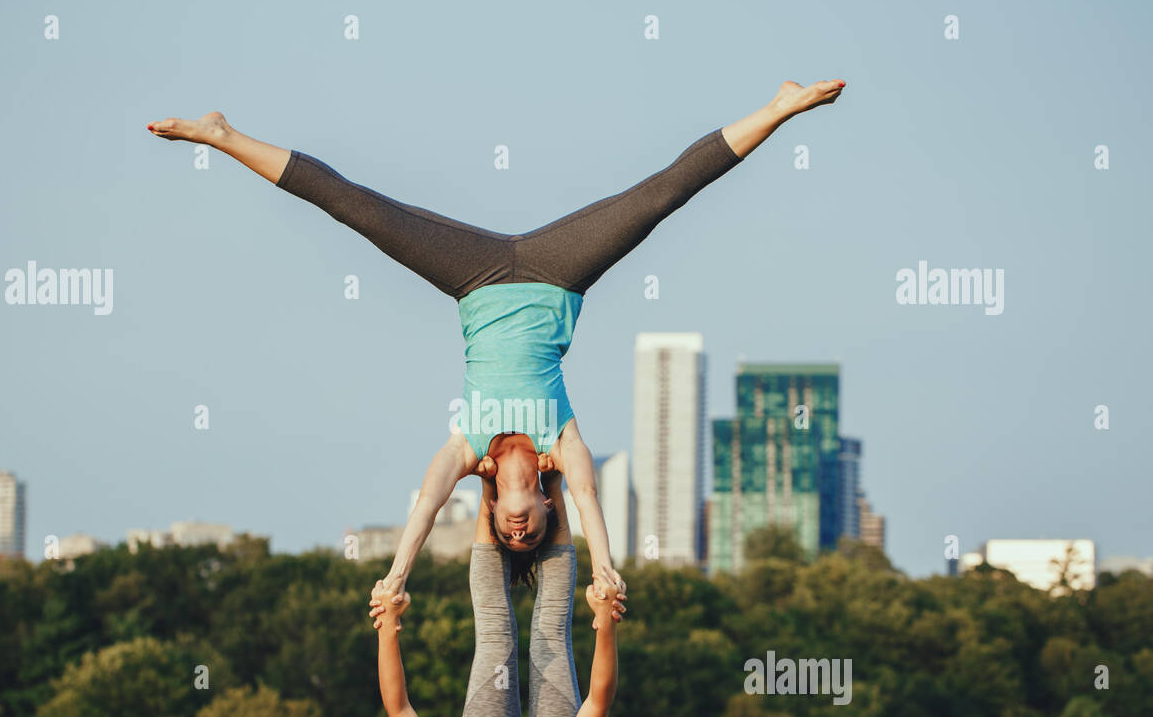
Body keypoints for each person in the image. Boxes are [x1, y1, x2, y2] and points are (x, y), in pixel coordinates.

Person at [147, 78, 845, 598]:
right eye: (531, 533)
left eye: (513, 538)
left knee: (353, 206)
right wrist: (604, 569)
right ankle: (782, 105)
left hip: (474, 279)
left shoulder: (469, 449)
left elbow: (422, 511)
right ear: (544, 504)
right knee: (661, 194)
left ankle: (221, 135)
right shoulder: (560, 444)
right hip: (559, 273)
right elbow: (595, 508)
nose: (520, 534)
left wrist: (395, 577)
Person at [372, 472, 627, 717]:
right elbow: (598, 701)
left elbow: (399, 707)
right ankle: (552, 486)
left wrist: (387, 627)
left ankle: (490, 486)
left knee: (496, 634)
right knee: (548, 634)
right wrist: (606, 623)